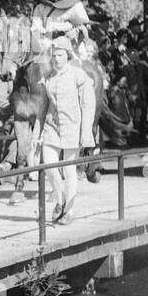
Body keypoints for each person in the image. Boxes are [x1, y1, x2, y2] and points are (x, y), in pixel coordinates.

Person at [34, 36, 95, 225]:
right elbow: (42, 108)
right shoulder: (48, 79)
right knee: (50, 167)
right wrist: (37, 133)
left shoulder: (79, 76)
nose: (56, 59)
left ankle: (69, 209)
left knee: (69, 170)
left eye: (60, 55)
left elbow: (88, 105)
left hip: (72, 127)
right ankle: (59, 201)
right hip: (52, 127)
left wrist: (86, 133)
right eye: (54, 55)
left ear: (68, 55)